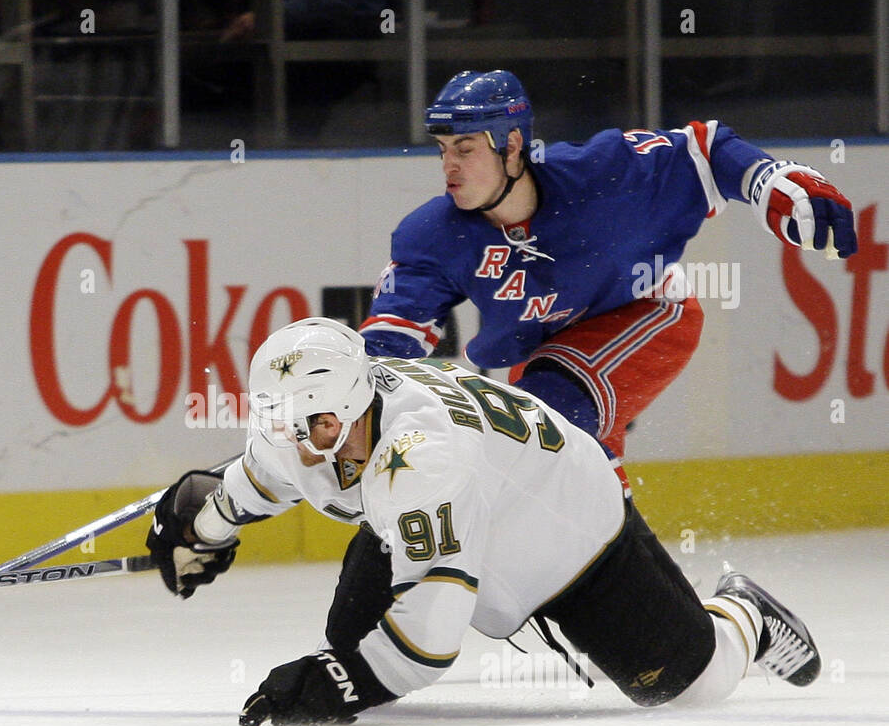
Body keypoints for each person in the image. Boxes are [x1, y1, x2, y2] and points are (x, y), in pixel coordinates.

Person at [146, 318, 821, 726]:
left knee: (688, 689)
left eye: (306, 426)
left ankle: (741, 614)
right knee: (350, 638)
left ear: (344, 411)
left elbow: (429, 641)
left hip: (563, 527)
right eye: (276, 423)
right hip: (464, 503)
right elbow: (261, 478)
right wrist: (199, 526)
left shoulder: (420, 457)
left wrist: (335, 684)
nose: (288, 441)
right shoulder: (314, 421)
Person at [362, 69, 858, 462]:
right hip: (552, 352)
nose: (449, 166)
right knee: (566, 478)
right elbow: (390, 342)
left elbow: (706, 153)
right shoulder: (432, 234)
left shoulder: (599, 174)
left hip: (650, 312)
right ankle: (657, 588)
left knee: (541, 420)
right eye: (444, 150)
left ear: (511, 145)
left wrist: (773, 180)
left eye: (465, 149)